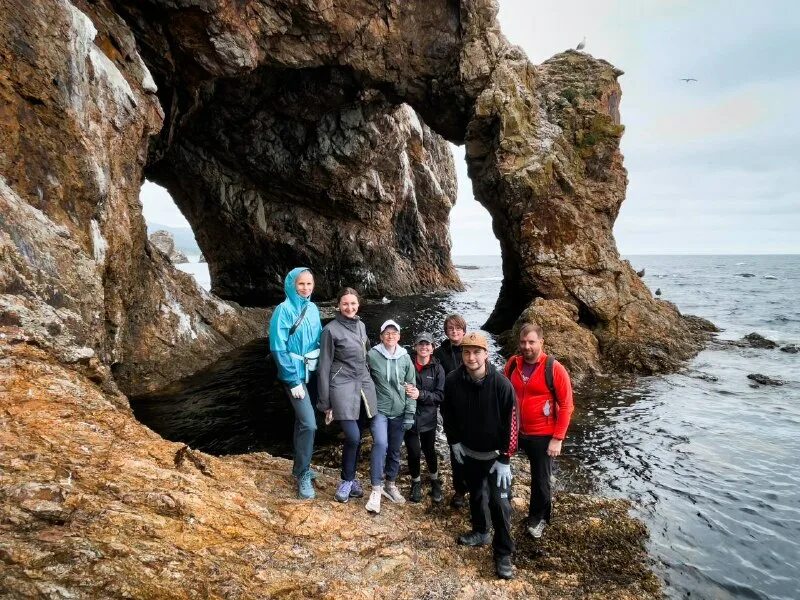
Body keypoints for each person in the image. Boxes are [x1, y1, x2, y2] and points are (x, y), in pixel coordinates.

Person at [442, 331, 519, 580]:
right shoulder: (453, 380)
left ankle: (503, 552)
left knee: (499, 503)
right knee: (476, 495)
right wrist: (454, 441)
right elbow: (448, 412)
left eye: (476, 352)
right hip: (469, 452)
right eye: (466, 352)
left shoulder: (502, 384)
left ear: (486, 354)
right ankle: (480, 531)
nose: (471, 357)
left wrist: (506, 458)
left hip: (496, 458)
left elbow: (513, 422)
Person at [503, 323, 574, 539]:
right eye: (523, 342)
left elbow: (566, 405)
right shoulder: (513, 364)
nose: (527, 347)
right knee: (499, 467)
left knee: (541, 479)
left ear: (541, 342)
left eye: (531, 342)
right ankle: (500, 508)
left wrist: (557, 438)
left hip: (542, 434)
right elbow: (503, 392)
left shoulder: (554, 368)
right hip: (515, 429)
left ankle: (539, 517)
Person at [316, 288, 378, 505]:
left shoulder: (361, 325)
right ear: (338, 306)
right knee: (352, 436)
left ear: (358, 305)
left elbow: (368, 355)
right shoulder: (330, 331)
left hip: (363, 386)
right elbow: (323, 367)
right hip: (341, 386)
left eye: (353, 304)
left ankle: (351, 481)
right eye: (345, 304)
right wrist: (325, 402)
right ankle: (346, 480)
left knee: (358, 436)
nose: (349, 308)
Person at [268, 267, 323, 500]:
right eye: (301, 284)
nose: (306, 288)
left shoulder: (313, 308)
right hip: (295, 375)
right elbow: (277, 348)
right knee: (309, 424)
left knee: (303, 422)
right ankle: (302, 474)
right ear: (291, 285)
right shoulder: (283, 310)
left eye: (309, 284)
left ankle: (301, 466)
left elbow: (319, 338)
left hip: (312, 372)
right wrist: (292, 380)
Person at [365, 320, 417, 513]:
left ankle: (390, 484)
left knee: (394, 449)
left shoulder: (405, 358)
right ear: (380, 336)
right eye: (386, 333)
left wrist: (410, 413)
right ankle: (376, 488)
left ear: (399, 336)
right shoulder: (372, 355)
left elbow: (411, 387)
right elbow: (362, 377)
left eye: (394, 333)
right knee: (380, 443)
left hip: (400, 411)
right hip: (380, 410)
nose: (390, 336)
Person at [404, 331, 446, 503]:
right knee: (413, 451)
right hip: (409, 416)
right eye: (420, 344)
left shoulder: (438, 368)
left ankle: (435, 480)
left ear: (432, 348)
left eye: (427, 344)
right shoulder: (407, 363)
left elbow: (440, 396)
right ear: (415, 347)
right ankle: (416, 482)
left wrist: (420, 394)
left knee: (429, 450)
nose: (424, 347)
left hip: (429, 418)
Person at [434, 314, 469, 507]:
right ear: (446, 332)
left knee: (475, 447)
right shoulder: (440, 353)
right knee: (456, 448)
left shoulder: (472, 348)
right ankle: (460, 490)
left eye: (458, 328)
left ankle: (477, 485)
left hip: (473, 407)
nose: (454, 332)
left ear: (464, 330)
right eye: (450, 329)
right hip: (450, 408)